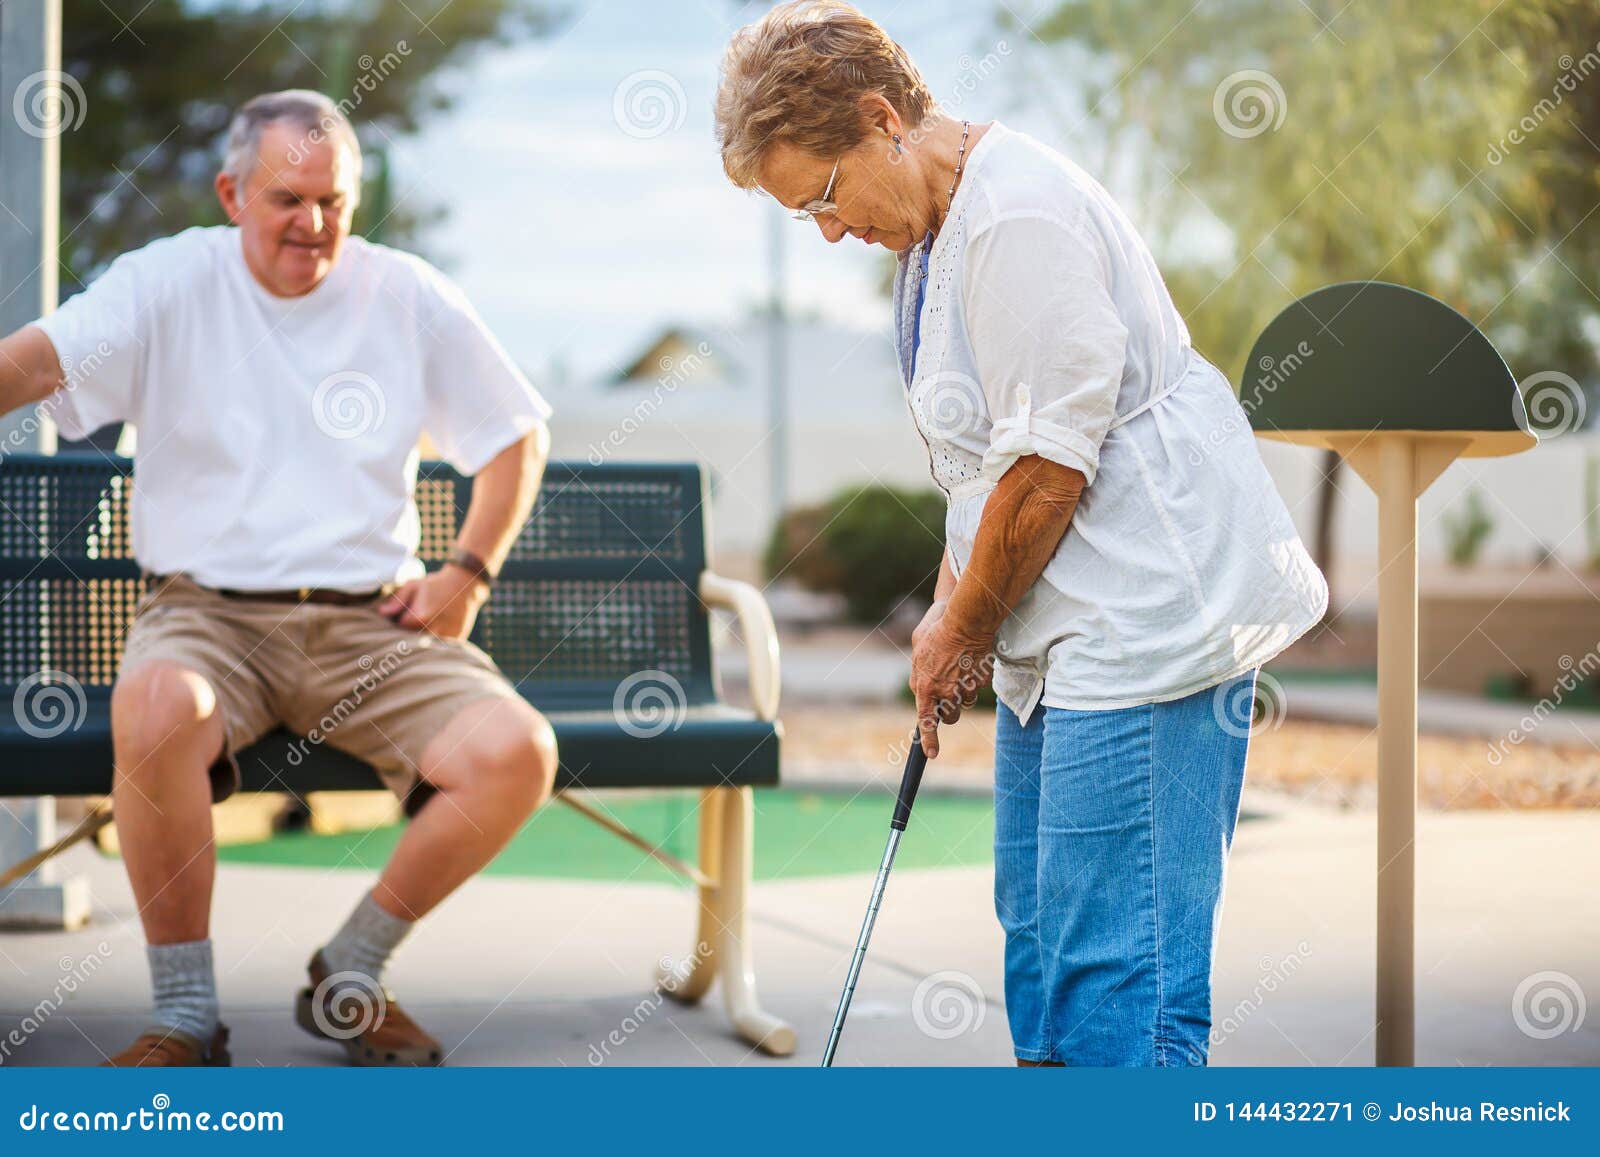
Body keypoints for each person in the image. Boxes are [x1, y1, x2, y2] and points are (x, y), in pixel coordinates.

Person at [715, 2, 1328, 1066]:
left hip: (1145, 622)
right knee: (1043, 940)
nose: (824, 229)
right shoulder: (931, 235)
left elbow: (1048, 469)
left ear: (880, 117)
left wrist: (960, 627)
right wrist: (947, 615)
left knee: (1115, 974)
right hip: (1061, 630)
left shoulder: (1017, 218)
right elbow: (987, 464)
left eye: (821, 195)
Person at [0, 90, 558, 1067]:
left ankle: (349, 970)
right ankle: (184, 1015)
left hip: (370, 625)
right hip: (206, 615)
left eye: (332, 201)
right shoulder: (167, 280)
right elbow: (38, 364)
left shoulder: (408, 291)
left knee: (519, 748)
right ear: (230, 191)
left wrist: (467, 570)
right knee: (155, 702)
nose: (313, 223)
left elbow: (518, 433)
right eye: (286, 198)